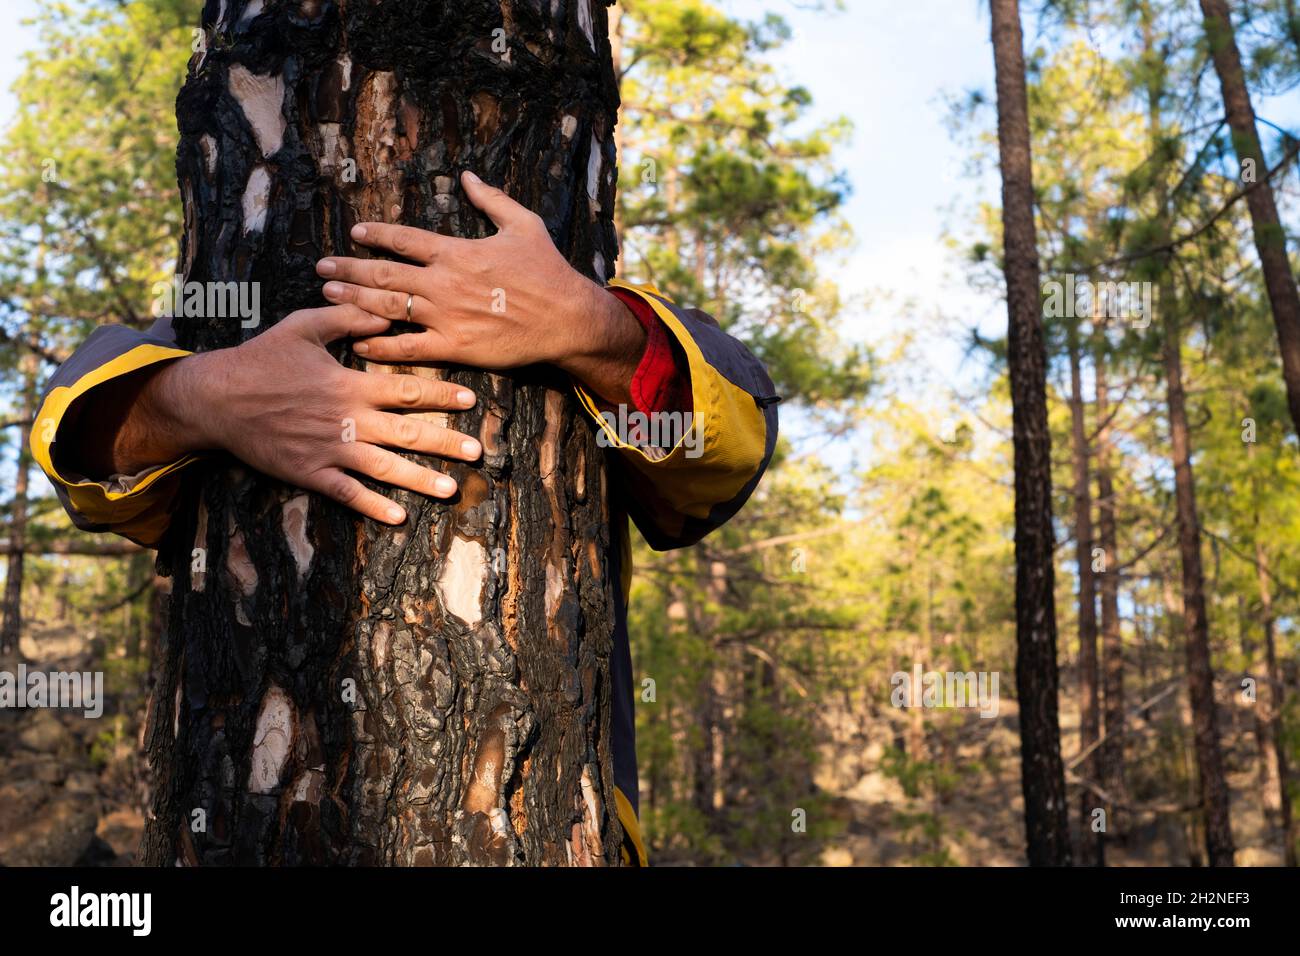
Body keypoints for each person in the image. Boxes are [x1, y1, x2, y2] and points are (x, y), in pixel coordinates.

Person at [31, 170, 779, 865]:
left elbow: (724, 455)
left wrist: (594, 327)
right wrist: (209, 397)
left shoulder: (614, 319)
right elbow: (77, 445)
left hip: (555, 824)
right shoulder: (221, 320)